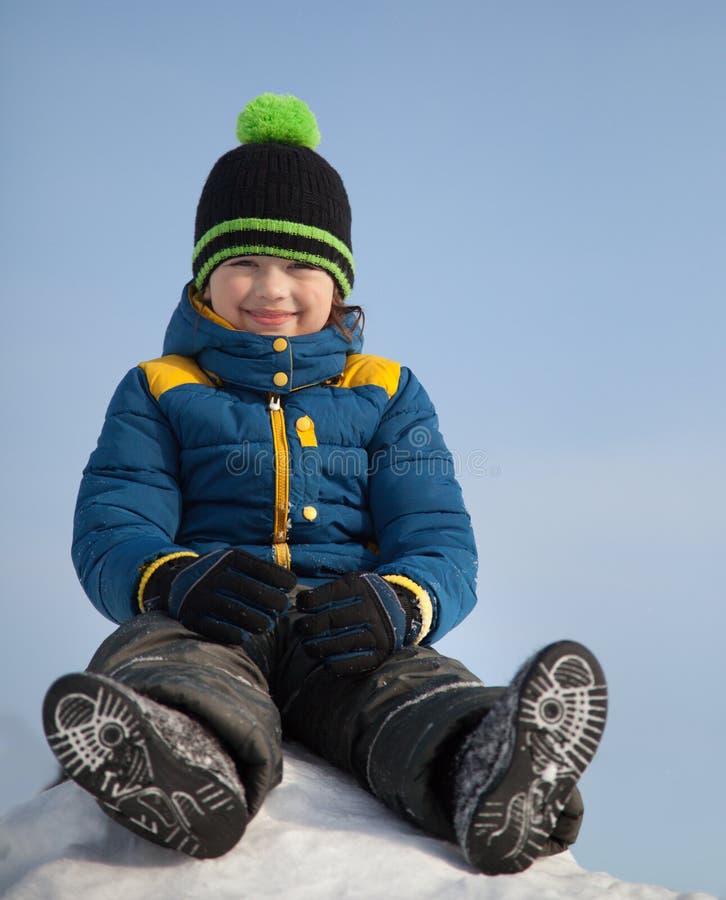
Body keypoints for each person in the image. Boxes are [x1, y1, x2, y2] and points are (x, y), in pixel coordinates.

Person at [43, 93, 607, 875]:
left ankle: (484, 765)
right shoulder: (159, 386)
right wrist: (174, 580)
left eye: (301, 266)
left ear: (337, 283)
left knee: (406, 687)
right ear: (205, 276)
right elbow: (113, 521)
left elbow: (438, 534)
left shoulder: (386, 389)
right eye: (243, 263)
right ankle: (176, 755)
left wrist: (401, 600)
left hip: (343, 629)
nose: (272, 289)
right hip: (210, 614)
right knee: (170, 663)